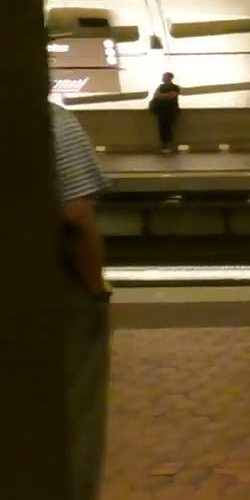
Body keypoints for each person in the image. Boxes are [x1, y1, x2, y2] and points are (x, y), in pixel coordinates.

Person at [51, 99, 113, 499]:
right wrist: (96, 292)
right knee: (75, 415)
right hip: (52, 291)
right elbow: (76, 216)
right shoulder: (49, 122)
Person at [148, 72, 181, 153]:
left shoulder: (175, 87)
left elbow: (170, 96)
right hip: (164, 110)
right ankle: (165, 146)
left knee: (167, 128)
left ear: (169, 78)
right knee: (163, 128)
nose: (162, 78)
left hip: (169, 110)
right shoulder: (162, 86)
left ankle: (167, 146)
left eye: (164, 76)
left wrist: (161, 95)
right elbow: (160, 95)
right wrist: (164, 96)